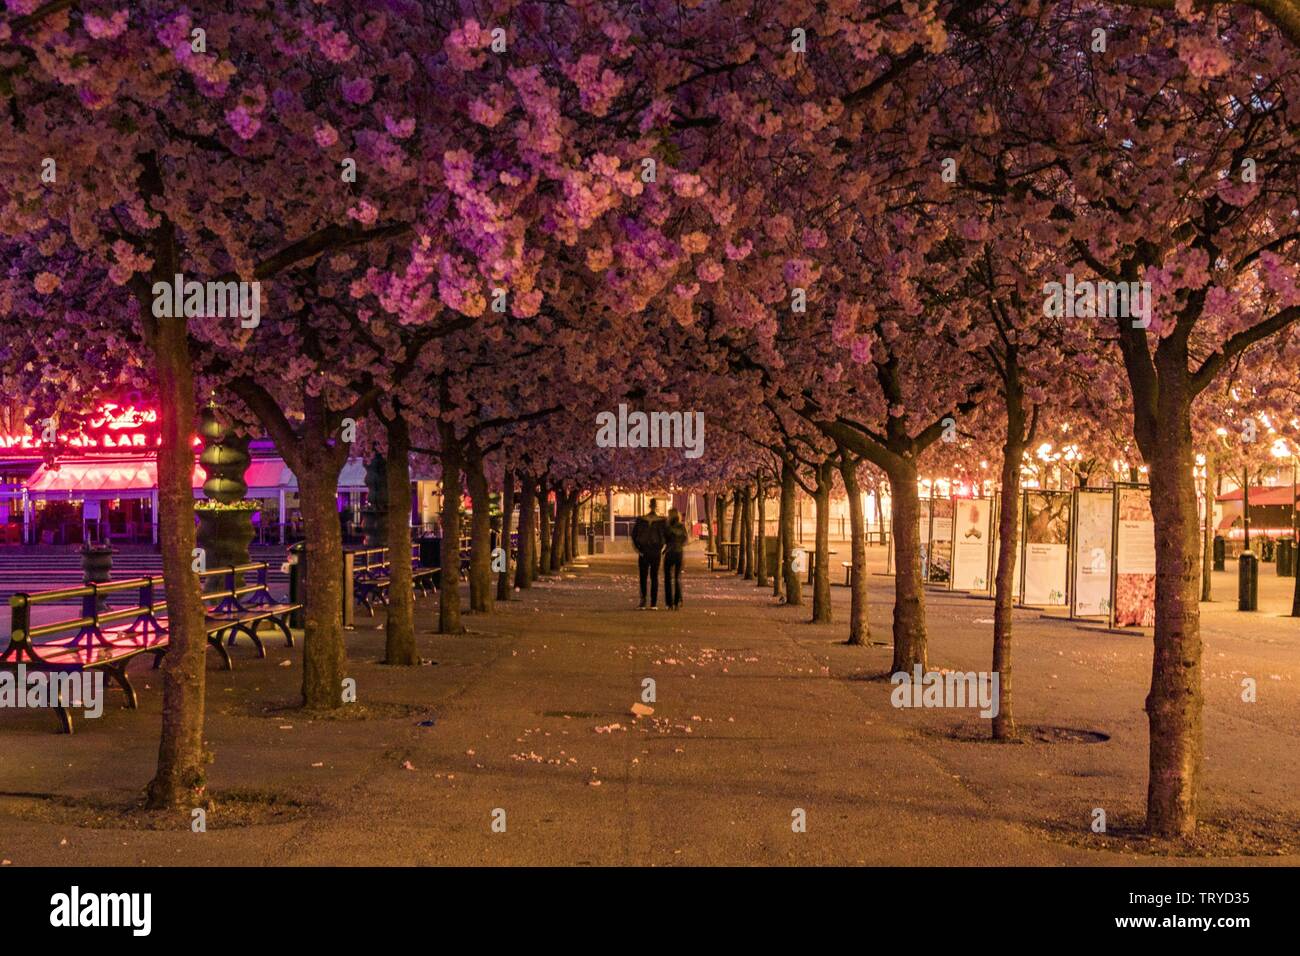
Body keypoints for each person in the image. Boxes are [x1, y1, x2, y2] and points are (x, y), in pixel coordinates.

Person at [631, 498, 667, 609]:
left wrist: (637, 549)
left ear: (649, 505)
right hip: (654, 551)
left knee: (643, 577)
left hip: (644, 551)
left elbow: (634, 536)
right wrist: (662, 550)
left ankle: (643, 602)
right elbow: (666, 537)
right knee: (654, 577)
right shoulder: (661, 521)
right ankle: (653, 603)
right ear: (656, 506)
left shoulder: (641, 520)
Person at [663, 508, 687, 610]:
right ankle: (677, 602)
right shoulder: (682, 527)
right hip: (679, 553)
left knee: (668, 579)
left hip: (669, 553)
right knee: (677, 577)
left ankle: (669, 603)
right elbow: (685, 539)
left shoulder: (668, 527)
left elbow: (664, 539)